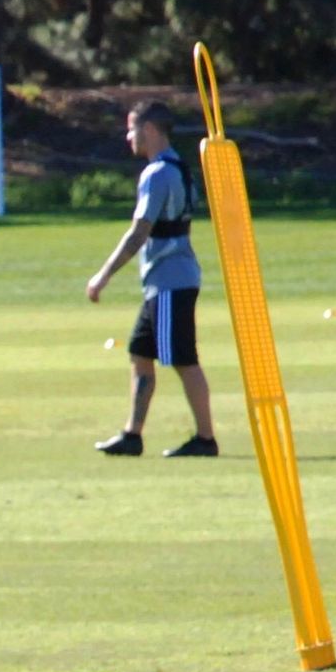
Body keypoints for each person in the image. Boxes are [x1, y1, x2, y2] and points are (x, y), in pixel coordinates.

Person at [87, 100, 218, 457]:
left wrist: (103, 276)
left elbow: (138, 232)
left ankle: (206, 439)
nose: (128, 136)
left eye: (131, 129)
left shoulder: (157, 173)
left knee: (182, 359)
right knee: (140, 352)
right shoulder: (180, 167)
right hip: (168, 280)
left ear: (148, 130)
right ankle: (133, 434)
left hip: (170, 280)